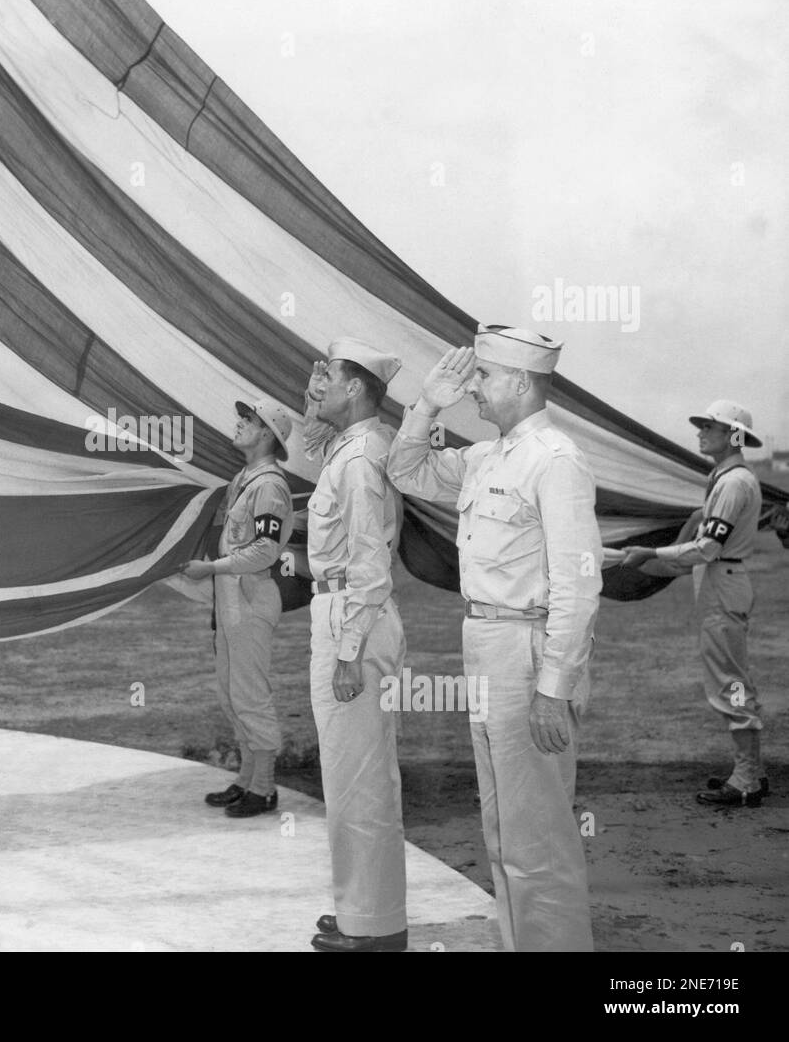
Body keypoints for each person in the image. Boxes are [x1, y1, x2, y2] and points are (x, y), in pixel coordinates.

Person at [386, 326, 601, 953]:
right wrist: (427, 404)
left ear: (522, 381)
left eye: (482, 375)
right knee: (504, 824)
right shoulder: (487, 458)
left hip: (528, 651)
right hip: (484, 642)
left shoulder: (556, 461)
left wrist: (553, 689)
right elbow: (407, 470)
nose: (473, 387)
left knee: (538, 833)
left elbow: (579, 585)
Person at [303, 339, 408, 952]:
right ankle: (360, 913)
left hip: (355, 616)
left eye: (330, 377)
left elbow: (370, 561)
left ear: (358, 388)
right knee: (348, 777)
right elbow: (312, 429)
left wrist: (348, 651)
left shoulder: (363, 454)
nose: (318, 384)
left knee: (360, 778)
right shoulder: (350, 444)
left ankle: (374, 928)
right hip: (344, 608)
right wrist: (316, 394)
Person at [620, 400, 768, 807]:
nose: (701, 431)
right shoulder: (726, 478)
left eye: (711, 426)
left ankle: (746, 779)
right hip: (722, 581)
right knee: (732, 678)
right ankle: (751, 770)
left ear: (733, 435)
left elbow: (706, 548)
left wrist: (653, 553)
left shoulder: (734, 483)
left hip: (723, 581)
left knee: (730, 682)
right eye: (702, 424)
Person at [181, 399, 295, 817]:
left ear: (267, 433)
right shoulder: (244, 478)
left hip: (251, 594)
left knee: (250, 694)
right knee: (231, 692)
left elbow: (265, 550)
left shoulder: (269, 485)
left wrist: (211, 567)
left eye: (248, 420)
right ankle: (247, 778)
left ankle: (264, 787)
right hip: (232, 596)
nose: (239, 424)